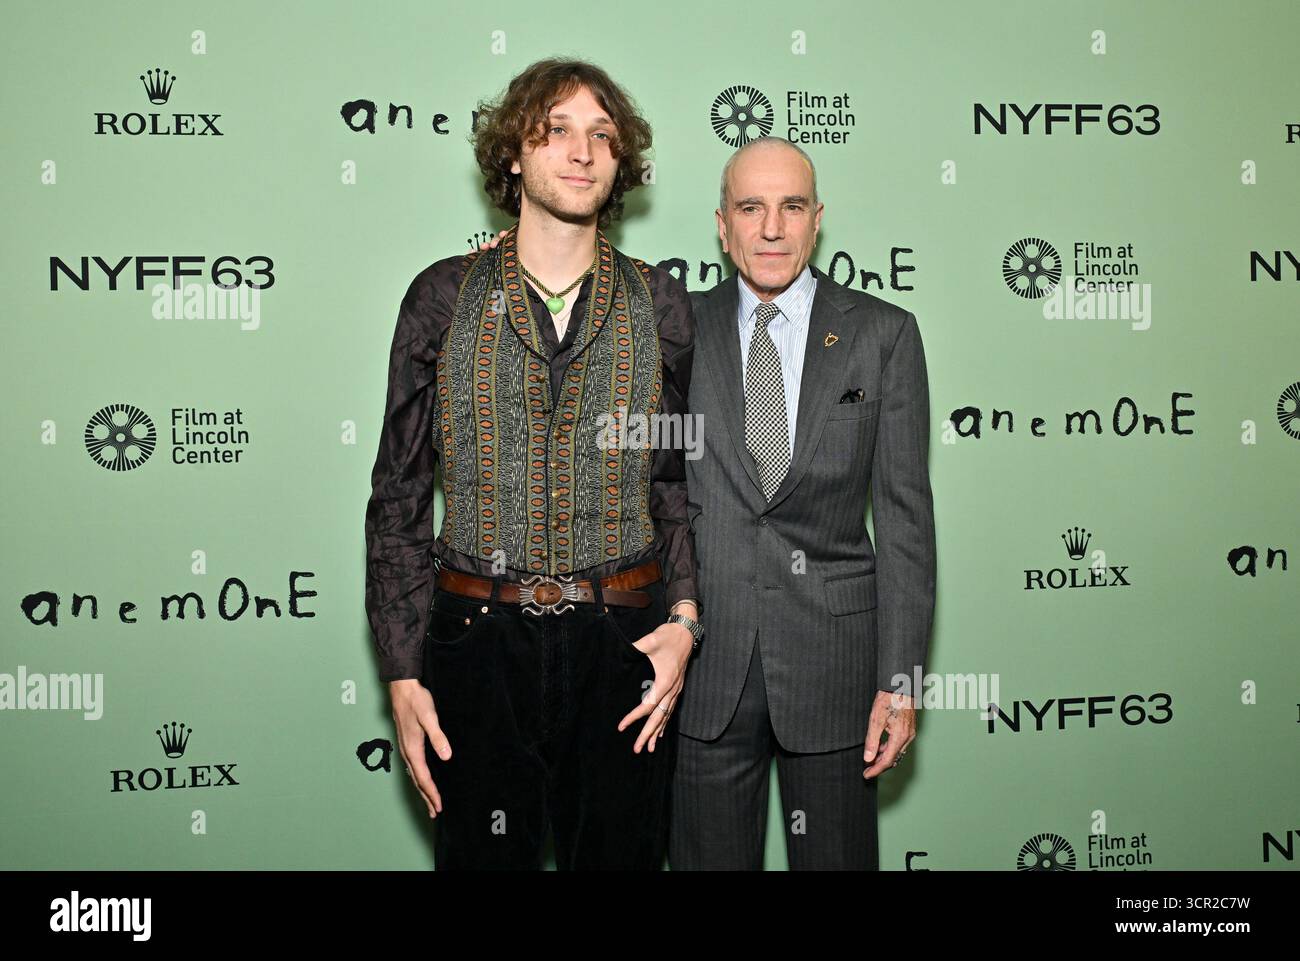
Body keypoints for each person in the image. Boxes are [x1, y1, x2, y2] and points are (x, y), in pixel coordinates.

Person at [363, 57, 701, 870]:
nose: (581, 151)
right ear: (513, 153)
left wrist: (684, 624)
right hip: (475, 640)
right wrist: (403, 673)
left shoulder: (661, 302)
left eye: (602, 136)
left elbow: (676, 483)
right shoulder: (442, 295)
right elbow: (401, 495)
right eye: (557, 131)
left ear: (621, 165)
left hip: (623, 637)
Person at [669, 136, 936, 870]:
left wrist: (901, 679)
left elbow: (907, 522)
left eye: (791, 207)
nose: (772, 228)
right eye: (750, 207)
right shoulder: (675, 331)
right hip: (702, 671)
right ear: (721, 225)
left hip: (837, 672)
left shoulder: (883, 335)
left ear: (818, 220)